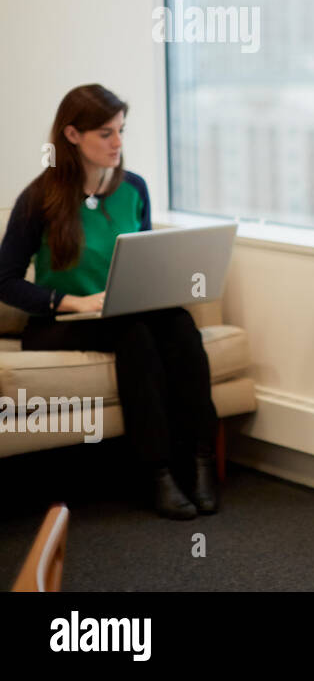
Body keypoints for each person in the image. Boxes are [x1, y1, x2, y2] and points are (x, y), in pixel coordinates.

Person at [0, 84, 220, 519]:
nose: (118, 143)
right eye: (105, 133)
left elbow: (142, 258)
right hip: (58, 323)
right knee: (133, 333)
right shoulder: (39, 197)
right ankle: (156, 473)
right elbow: (5, 281)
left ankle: (199, 461)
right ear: (72, 135)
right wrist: (73, 302)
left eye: (121, 130)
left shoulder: (134, 188)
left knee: (178, 324)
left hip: (119, 310)